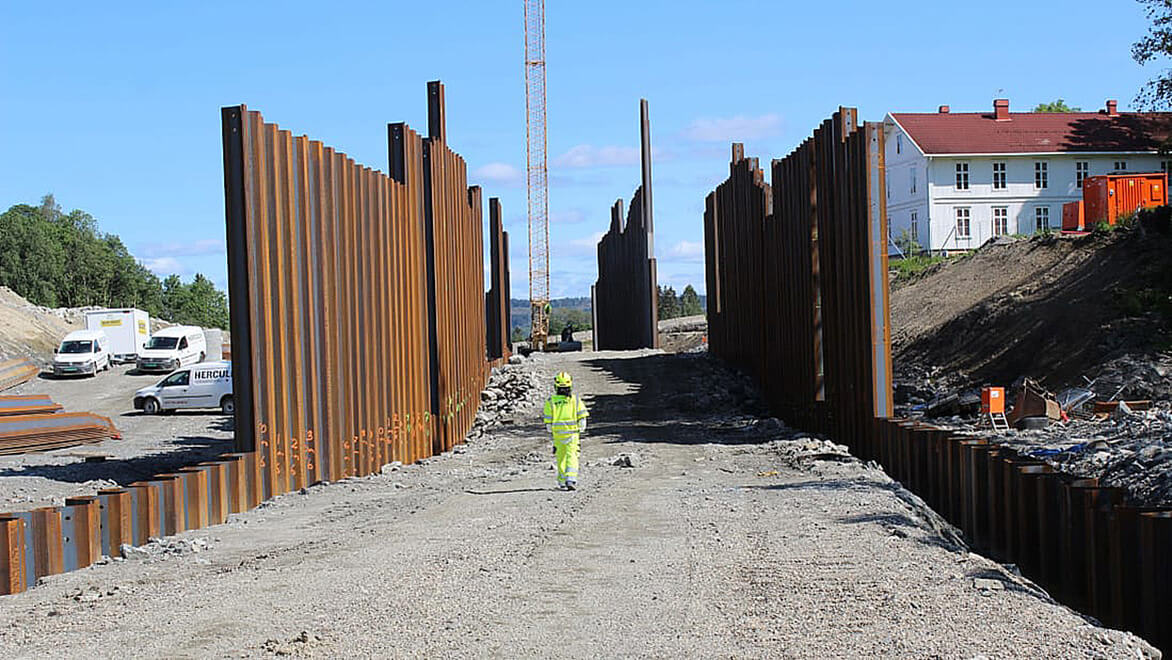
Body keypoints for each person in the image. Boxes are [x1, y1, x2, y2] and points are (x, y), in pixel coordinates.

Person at [542, 370, 589, 490]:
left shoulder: (551, 401)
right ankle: (571, 479)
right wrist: (582, 423)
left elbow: (548, 417)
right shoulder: (575, 400)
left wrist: (549, 425)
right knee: (572, 455)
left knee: (560, 457)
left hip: (558, 434)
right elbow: (582, 414)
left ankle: (562, 481)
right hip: (572, 434)